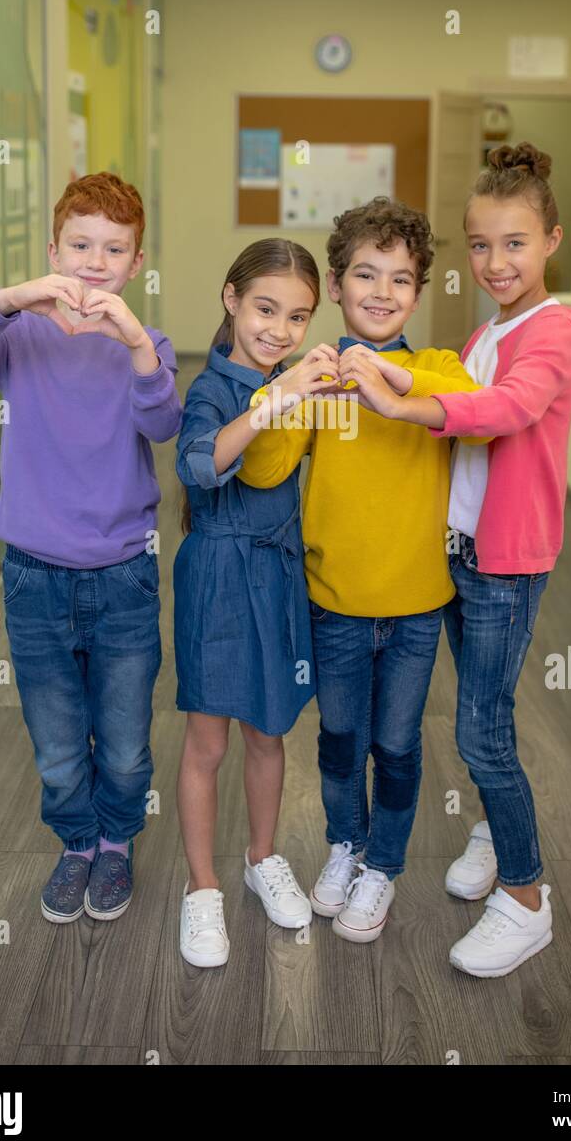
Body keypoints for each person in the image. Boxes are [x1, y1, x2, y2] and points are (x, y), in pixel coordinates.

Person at [344, 143, 571, 976]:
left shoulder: (553, 330)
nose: (495, 261)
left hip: (505, 565)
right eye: (480, 245)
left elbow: (505, 410)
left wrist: (394, 398)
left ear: (552, 239)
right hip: (460, 553)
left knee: (480, 733)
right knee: (487, 711)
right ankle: (494, 825)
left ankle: (525, 897)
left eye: (515, 243)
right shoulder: (488, 330)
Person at [0, 171, 181, 924]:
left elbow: (163, 426)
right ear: (52, 251)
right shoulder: (18, 338)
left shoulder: (149, 345)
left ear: (136, 264)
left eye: (114, 249)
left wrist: (134, 340)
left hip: (124, 575)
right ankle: (77, 842)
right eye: (79, 245)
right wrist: (10, 299)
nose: (94, 263)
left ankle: (117, 843)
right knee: (59, 740)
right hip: (34, 578)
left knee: (127, 741)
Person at [239, 199, 483, 944]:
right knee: (341, 740)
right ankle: (346, 844)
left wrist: (388, 379)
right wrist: (286, 388)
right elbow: (260, 470)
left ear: (418, 294)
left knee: (399, 745)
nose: (382, 290)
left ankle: (384, 864)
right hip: (335, 605)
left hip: (414, 610)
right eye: (365, 275)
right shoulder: (318, 384)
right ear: (337, 288)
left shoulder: (436, 370)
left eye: (401, 279)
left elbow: (475, 406)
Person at [174, 238, 340, 967]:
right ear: (231, 298)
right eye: (266, 308)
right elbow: (199, 466)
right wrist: (281, 395)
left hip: (276, 578)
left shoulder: (298, 384)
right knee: (208, 744)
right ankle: (202, 888)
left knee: (269, 734)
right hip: (215, 575)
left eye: (298, 317)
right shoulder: (213, 389)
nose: (279, 328)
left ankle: (261, 858)